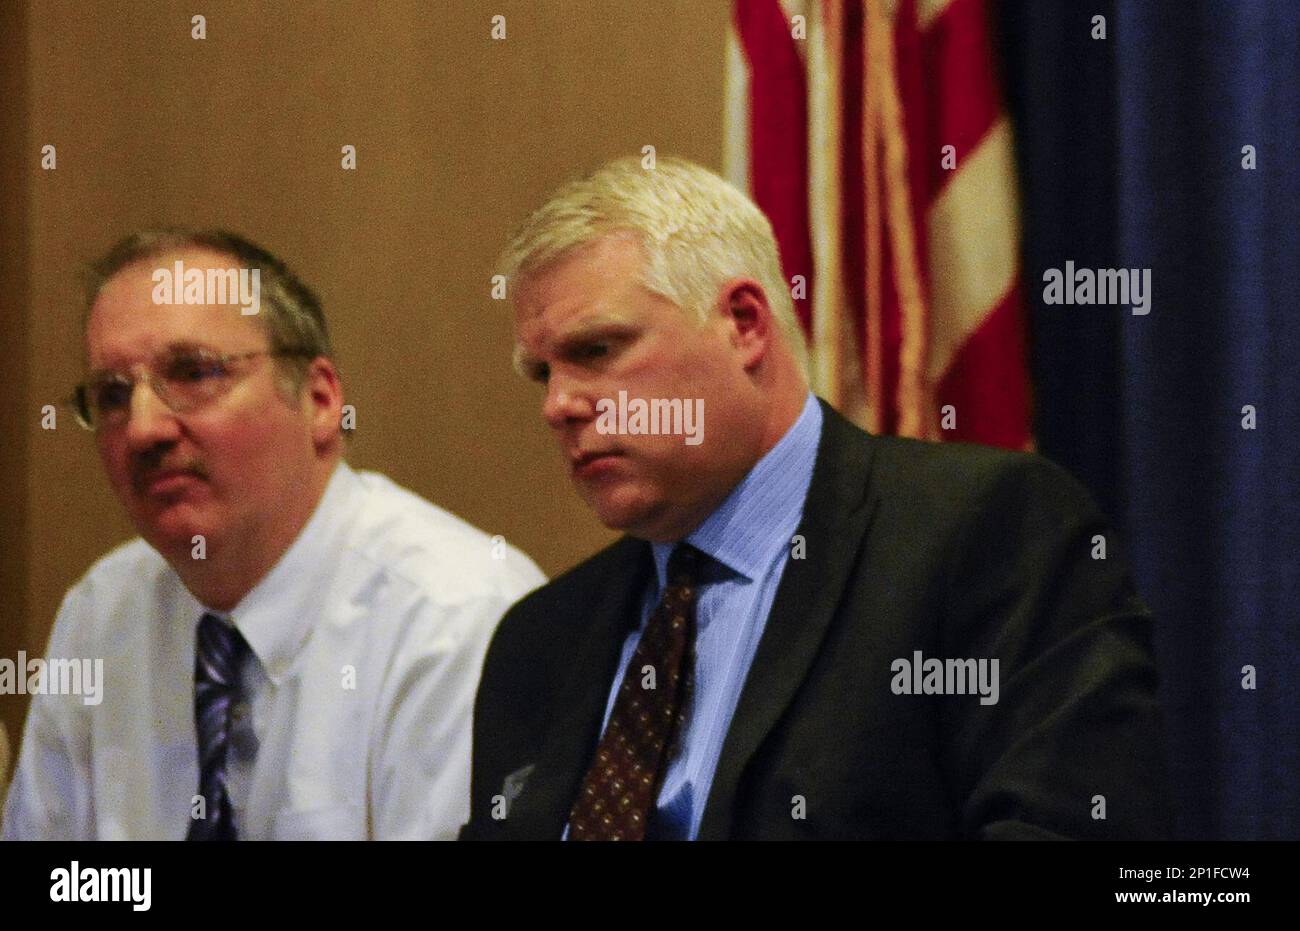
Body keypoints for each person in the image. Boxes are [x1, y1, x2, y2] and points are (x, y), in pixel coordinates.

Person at [460, 156, 1173, 841]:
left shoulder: (987, 536)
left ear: (744, 323)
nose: (559, 405)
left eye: (596, 351)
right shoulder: (539, 643)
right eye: (541, 374)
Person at [1, 228, 544, 840]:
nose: (144, 429)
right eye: (112, 395)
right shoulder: (104, 610)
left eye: (194, 372)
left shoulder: (455, 616)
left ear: (318, 400)